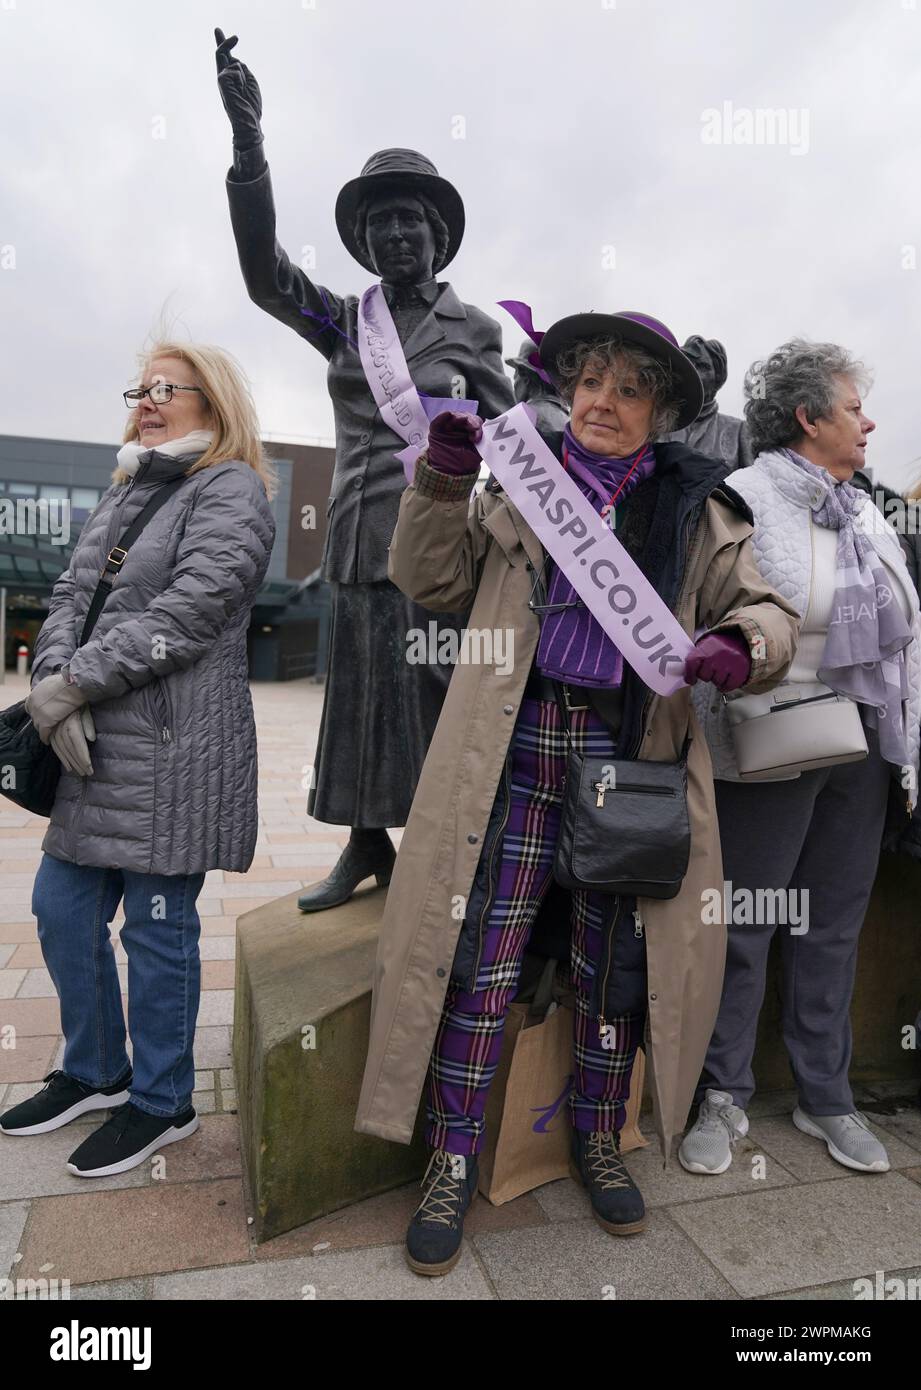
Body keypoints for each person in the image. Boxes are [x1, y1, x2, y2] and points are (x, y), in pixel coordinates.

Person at [352, 308, 799, 1276]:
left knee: (613, 973)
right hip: (509, 754)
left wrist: (743, 644)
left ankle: (597, 1138)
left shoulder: (700, 508)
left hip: (628, 764)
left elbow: (769, 611)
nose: (604, 401)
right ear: (568, 390)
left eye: (631, 389)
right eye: (591, 381)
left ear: (662, 409)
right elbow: (428, 581)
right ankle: (452, 1156)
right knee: (481, 960)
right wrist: (439, 477)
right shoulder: (516, 486)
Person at [213, 29, 515, 912]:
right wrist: (248, 149)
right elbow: (265, 278)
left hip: (432, 548)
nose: (393, 232)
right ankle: (364, 846)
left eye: (407, 220)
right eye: (379, 222)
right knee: (354, 702)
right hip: (351, 537)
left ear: (436, 235)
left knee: (426, 701)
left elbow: (510, 430)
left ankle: (434, 854)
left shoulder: (475, 330)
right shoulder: (347, 320)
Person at [0, 342, 276, 1178]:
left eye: (167, 389)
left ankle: (163, 1101)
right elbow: (69, 598)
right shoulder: (127, 489)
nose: (146, 402)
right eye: (140, 390)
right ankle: (95, 1069)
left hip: (172, 752)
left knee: (158, 931)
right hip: (89, 745)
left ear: (213, 401)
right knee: (60, 909)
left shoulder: (232, 491)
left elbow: (189, 613)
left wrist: (74, 684)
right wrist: (51, 678)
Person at [682, 339, 921, 1177]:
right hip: (770, 740)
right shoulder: (741, 497)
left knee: (831, 926)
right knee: (746, 924)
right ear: (807, 417)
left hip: (859, 747)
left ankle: (826, 1097)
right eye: (853, 408)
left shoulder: (864, 508)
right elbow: (721, 613)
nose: (868, 423)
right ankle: (722, 1096)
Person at [665, 335, 753, 469]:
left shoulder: (738, 431)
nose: (693, 373)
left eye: (702, 366)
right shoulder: (656, 425)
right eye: (688, 365)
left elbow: (750, 484)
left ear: (718, 377)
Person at [505, 337, 568, 444]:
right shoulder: (571, 426)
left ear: (524, 374)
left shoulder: (519, 419)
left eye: (516, 371)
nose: (514, 378)